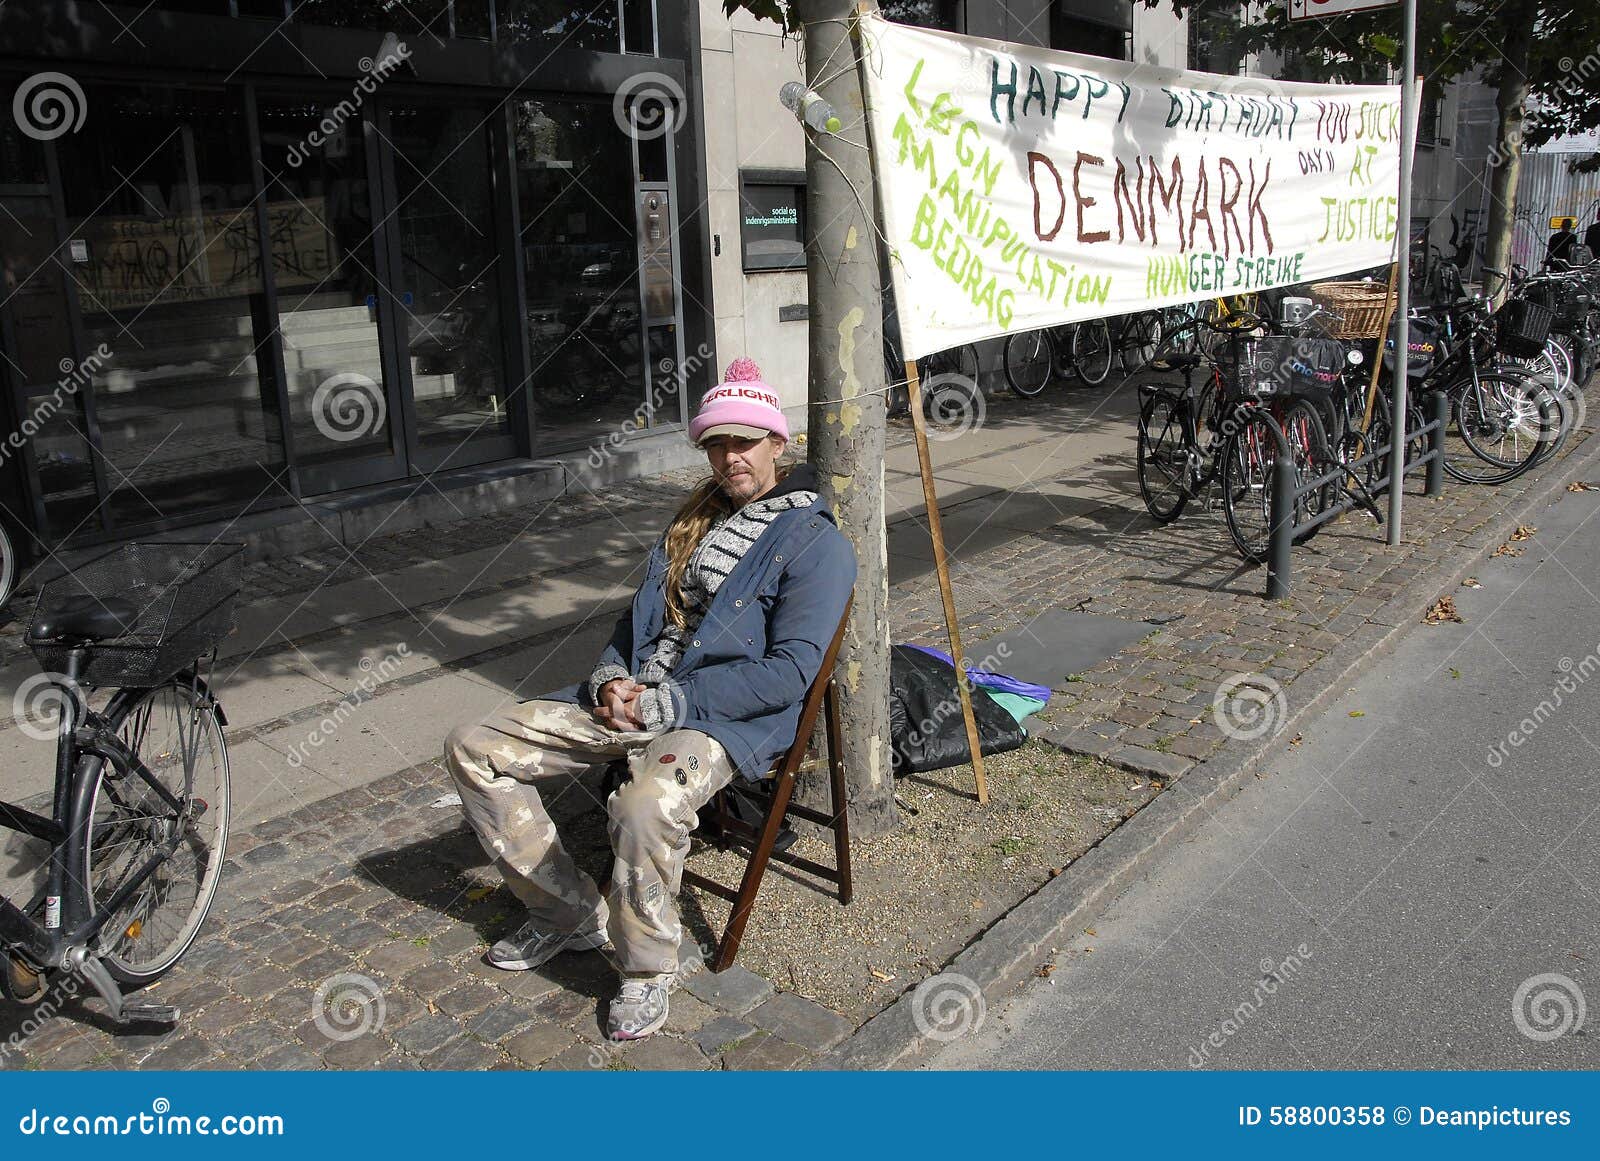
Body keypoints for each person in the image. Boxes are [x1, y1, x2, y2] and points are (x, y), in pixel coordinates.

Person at [444, 357, 856, 1041]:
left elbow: (788, 674)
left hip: (721, 716)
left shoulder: (815, 542)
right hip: (633, 697)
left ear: (779, 444)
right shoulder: (692, 520)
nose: (729, 457)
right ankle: (568, 911)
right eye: (717, 443)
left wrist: (667, 704)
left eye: (745, 441)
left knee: (644, 803)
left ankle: (644, 968)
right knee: (473, 744)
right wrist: (610, 679)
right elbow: (631, 625)